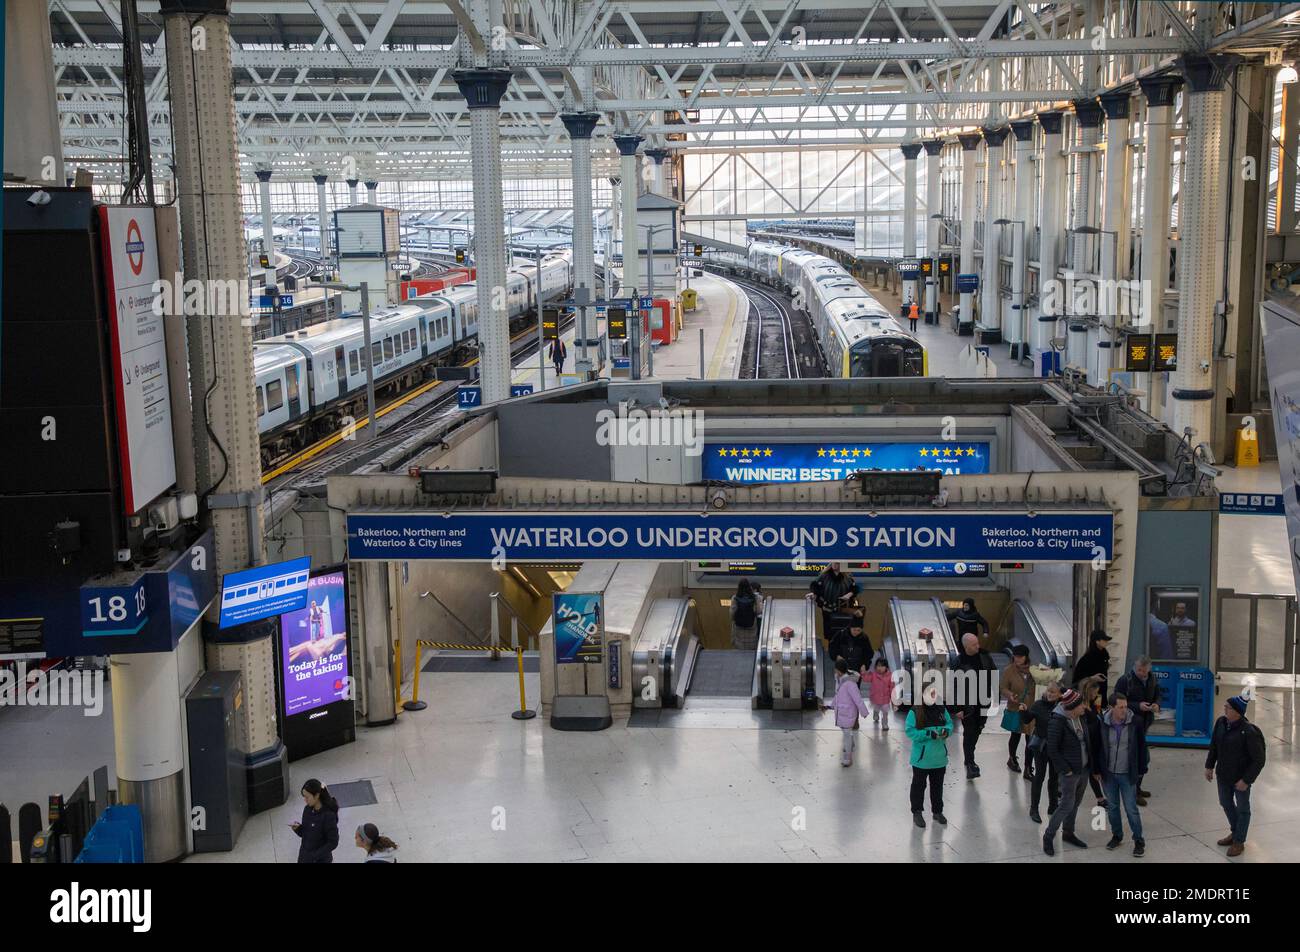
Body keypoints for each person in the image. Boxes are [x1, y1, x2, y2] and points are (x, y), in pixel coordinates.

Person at [1205, 695, 1267, 857]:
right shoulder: (1221, 723)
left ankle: (1239, 841)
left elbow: (1259, 760)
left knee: (1243, 809)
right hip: (1223, 775)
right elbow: (1214, 746)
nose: (1224, 709)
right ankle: (1235, 831)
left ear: (1238, 712)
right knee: (1225, 802)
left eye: (1228, 707)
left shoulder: (1249, 732)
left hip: (1240, 779)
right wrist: (1209, 766)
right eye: (1225, 706)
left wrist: (1246, 780)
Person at [1043, 689, 1097, 856]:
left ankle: (1068, 832)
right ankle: (1048, 836)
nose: (1084, 706)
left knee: (1075, 803)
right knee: (1066, 805)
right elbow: (1052, 749)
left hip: (1084, 769)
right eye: (1081, 704)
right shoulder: (1057, 721)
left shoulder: (1081, 716)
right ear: (1072, 707)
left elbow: (1095, 727)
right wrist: (1065, 770)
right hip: (1069, 772)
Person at [1098, 693, 1149, 856]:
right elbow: (1098, 748)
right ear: (1111, 708)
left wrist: (1141, 770)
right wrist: (1096, 770)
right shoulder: (1102, 724)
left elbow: (1142, 748)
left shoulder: (1136, 723)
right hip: (1109, 775)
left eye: (1126, 706)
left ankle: (1139, 840)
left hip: (1128, 774)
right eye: (1120, 707)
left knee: (1131, 808)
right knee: (1113, 807)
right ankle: (1117, 835)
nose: (1124, 710)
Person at [1114, 656, 1160, 804]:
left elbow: (1158, 695)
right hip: (1129, 726)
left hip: (1143, 724)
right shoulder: (1124, 680)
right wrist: (1137, 706)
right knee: (1137, 758)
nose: (1141, 673)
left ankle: (1137, 788)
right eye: (1139, 669)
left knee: (1142, 758)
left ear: (1149, 669)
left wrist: (1156, 705)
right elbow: (1116, 700)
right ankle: (1132, 792)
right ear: (1134, 666)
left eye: (1144, 670)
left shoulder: (1152, 679)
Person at [951, 632, 996, 780]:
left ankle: (969, 755)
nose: (978, 646)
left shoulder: (985, 657)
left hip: (983, 702)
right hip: (967, 704)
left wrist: (995, 698)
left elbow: (993, 676)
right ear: (966, 646)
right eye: (974, 644)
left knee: (978, 729)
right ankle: (970, 762)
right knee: (969, 732)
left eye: (978, 643)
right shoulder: (959, 662)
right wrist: (957, 708)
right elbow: (953, 685)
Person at [905, 697, 952, 828]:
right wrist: (928, 734)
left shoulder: (941, 709)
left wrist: (946, 731)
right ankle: (917, 812)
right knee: (919, 786)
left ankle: (937, 811)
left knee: (938, 786)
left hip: (939, 759)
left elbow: (949, 724)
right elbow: (910, 731)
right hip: (922, 760)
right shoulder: (915, 711)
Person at [1021, 680, 1062, 824]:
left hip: (1056, 747)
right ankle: (1034, 809)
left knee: (1054, 777)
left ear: (1059, 694)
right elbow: (1027, 720)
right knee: (1039, 776)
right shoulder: (1038, 704)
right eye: (1049, 691)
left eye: (1053, 692)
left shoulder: (1062, 707)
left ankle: (1053, 805)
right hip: (1041, 746)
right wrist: (1024, 711)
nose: (1050, 694)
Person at [824, 658, 871, 766]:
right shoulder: (840, 680)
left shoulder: (850, 683)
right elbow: (838, 695)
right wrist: (830, 706)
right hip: (841, 712)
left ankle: (848, 759)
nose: (835, 672)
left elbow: (857, 699)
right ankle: (851, 743)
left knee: (846, 734)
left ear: (839, 670)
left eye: (836, 670)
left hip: (848, 713)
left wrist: (864, 712)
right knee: (845, 732)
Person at [999, 644, 1037, 776]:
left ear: (1026, 657)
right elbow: (1003, 687)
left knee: (1030, 739)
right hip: (1016, 707)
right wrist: (1010, 695)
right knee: (1015, 735)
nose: (1017, 659)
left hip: (1030, 709)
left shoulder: (1035, 671)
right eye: (1015, 656)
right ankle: (1012, 758)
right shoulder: (1009, 670)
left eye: (1020, 657)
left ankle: (1028, 768)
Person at [806, 562, 859, 643]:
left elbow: (854, 589)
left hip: (842, 608)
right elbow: (816, 587)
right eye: (833, 563)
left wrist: (849, 595)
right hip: (827, 607)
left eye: (837, 563)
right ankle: (832, 648)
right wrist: (814, 593)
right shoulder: (824, 576)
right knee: (830, 631)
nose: (835, 565)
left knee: (842, 631)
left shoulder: (847, 577)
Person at [292, 779, 340, 863]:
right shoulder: (307, 809)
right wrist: (298, 829)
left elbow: (333, 842)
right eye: (304, 797)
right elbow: (306, 833)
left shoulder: (328, 816)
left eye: (307, 797)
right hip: (304, 857)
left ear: (317, 795)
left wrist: (315, 855)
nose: (305, 800)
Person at [1079, 674, 1108, 809]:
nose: (1096, 695)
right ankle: (1100, 798)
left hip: (1094, 741)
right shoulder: (1083, 708)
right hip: (1089, 743)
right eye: (1095, 692)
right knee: (1092, 770)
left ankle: (1100, 798)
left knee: (1092, 771)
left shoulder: (1090, 704)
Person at [1071, 629, 1112, 698]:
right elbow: (1077, 681)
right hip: (1087, 694)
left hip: (1101, 691)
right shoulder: (1086, 659)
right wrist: (1092, 678)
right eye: (1104, 640)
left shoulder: (1104, 656)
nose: (1107, 642)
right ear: (1097, 641)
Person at [729, 578, 762, 650]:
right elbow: (759, 611)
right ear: (749, 586)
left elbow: (732, 614)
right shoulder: (755, 597)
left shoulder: (735, 598)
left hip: (739, 629)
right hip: (751, 627)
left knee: (740, 650)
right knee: (751, 651)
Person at [863, 656, 895, 730]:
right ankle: (876, 714)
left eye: (882, 666)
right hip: (875, 698)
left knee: (885, 712)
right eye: (878, 666)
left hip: (885, 699)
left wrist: (893, 697)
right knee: (876, 708)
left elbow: (892, 687)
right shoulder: (873, 675)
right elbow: (866, 679)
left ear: (886, 667)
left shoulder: (890, 676)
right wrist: (864, 673)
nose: (879, 668)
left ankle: (885, 724)